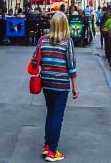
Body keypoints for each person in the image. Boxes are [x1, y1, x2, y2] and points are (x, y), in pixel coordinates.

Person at [33, 11, 78, 162]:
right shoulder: (67, 42)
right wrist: (75, 86)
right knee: (57, 115)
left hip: (46, 82)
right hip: (61, 84)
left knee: (50, 112)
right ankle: (52, 151)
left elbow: (35, 60)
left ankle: (47, 146)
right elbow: (71, 66)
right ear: (65, 25)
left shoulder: (42, 40)